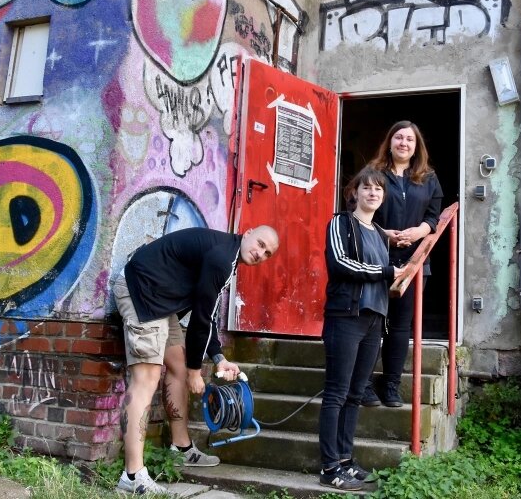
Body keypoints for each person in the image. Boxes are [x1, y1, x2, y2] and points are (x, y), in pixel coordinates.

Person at [111, 225, 279, 495]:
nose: (260, 253)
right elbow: (201, 319)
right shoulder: (222, 257)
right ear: (247, 233)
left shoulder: (229, 257)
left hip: (161, 300)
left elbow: (206, 313)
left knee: (176, 364)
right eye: (260, 244)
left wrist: (218, 357)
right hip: (141, 290)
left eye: (267, 253)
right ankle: (132, 476)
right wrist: (194, 372)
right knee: (147, 378)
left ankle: (181, 448)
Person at [319, 167, 412, 492]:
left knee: (356, 394)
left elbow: (379, 276)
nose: (372, 193)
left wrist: (394, 277)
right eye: (366, 188)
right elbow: (341, 264)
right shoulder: (341, 223)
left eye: (378, 190)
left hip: (374, 320)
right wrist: (386, 271)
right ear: (354, 193)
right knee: (336, 393)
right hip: (346, 316)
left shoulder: (377, 234)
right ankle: (330, 467)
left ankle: (345, 460)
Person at [363, 121, 443, 408]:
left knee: (400, 326)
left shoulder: (428, 178)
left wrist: (419, 231)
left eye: (410, 139)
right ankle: (363, 385)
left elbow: (434, 217)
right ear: (390, 141)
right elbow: (356, 211)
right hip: (376, 257)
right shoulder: (374, 174)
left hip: (414, 262)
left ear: (416, 146)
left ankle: (391, 385)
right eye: (399, 137)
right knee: (372, 322)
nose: (404, 143)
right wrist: (385, 234)